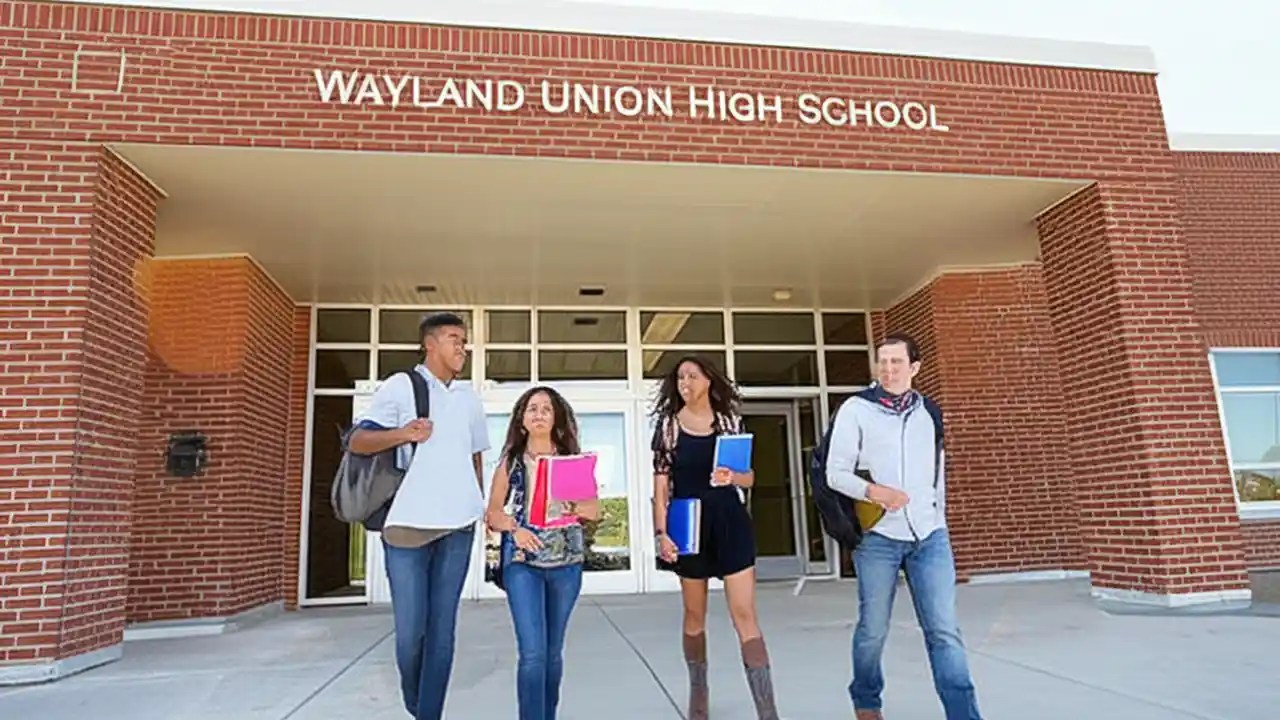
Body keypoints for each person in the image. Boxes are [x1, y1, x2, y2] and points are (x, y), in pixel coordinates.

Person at [824, 332, 982, 720]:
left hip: (929, 536)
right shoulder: (856, 410)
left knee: (944, 632)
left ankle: (963, 714)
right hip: (878, 537)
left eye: (897, 362)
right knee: (873, 630)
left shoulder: (929, 411)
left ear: (914, 368)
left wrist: (937, 516)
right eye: (883, 361)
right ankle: (866, 701)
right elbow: (834, 473)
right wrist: (874, 491)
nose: (888, 369)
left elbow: (936, 474)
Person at [347, 312, 489, 720]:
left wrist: (477, 504)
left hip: (459, 525)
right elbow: (357, 441)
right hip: (408, 525)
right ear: (429, 344)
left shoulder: (468, 397)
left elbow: (475, 455)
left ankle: (430, 714)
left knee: (442, 632)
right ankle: (417, 705)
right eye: (452, 338)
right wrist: (404, 434)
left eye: (464, 340)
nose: (462, 346)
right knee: (412, 633)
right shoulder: (400, 386)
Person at [650, 355, 781, 720]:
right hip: (688, 525)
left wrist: (733, 478)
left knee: (745, 613)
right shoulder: (668, 428)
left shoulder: (729, 421)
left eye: (692, 375)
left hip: (730, 521)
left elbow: (749, 477)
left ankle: (767, 710)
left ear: (708, 380)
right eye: (680, 377)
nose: (685, 382)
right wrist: (662, 534)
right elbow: (660, 489)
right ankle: (699, 691)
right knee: (695, 615)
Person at [484, 386, 600, 720]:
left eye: (546, 409)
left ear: (556, 418)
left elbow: (593, 510)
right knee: (533, 653)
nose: (538, 414)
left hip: (566, 564)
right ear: (522, 420)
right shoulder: (510, 463)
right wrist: (514, 529)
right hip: (523, 563)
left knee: (552, 653)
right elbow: (492, 513)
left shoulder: (572, 461)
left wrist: (574, 504)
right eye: (532, 408)